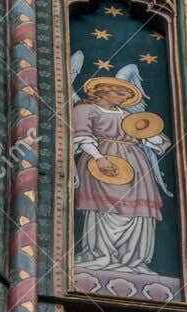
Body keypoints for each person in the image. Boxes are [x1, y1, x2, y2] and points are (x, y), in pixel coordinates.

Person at [72, 76, 169, 273]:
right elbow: (82, 135)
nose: (124, 98)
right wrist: (99, 158)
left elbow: (144, 135)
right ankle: (101, 254)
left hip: (135, 163)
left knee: (137, 210)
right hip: (103, 160)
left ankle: (132, 258)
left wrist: (155, 137)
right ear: (101, 91)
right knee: (106, 206)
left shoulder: (125, 115)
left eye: (126, 95)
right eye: (120, 93)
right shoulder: (85, 109)